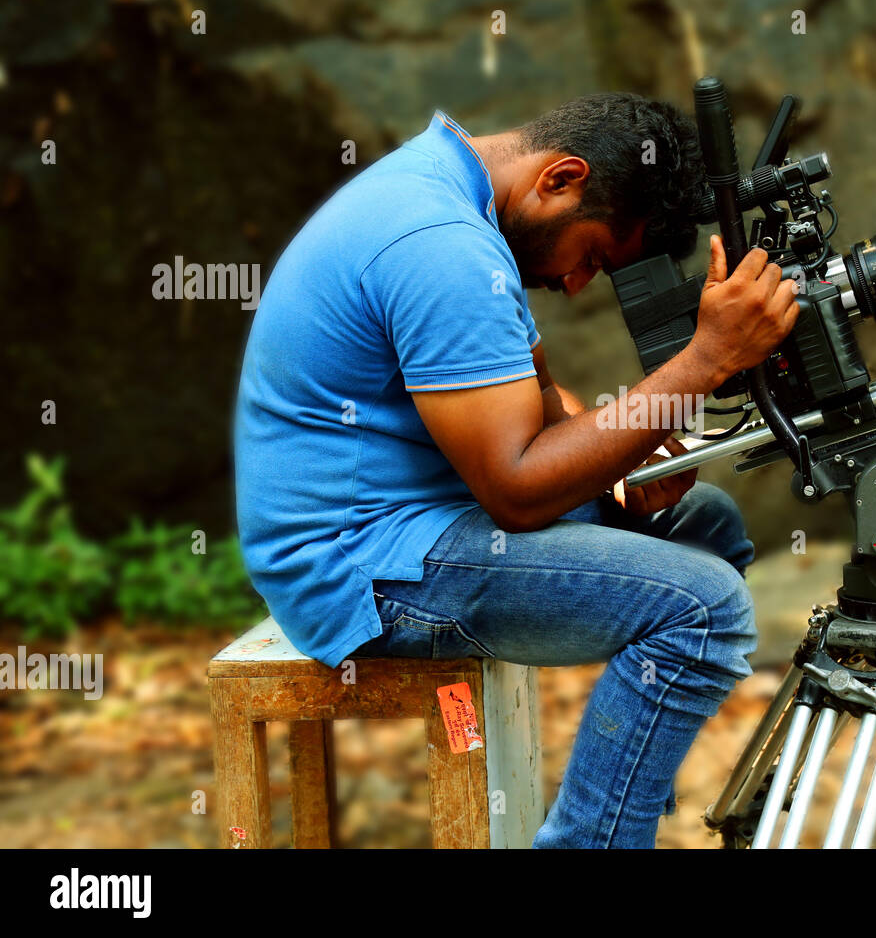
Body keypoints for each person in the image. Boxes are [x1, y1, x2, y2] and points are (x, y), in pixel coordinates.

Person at [233, 93, 799, 847]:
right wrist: (706, 361)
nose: (575, 284)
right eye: (593, 255)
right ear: (560, 177)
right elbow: (519, 492)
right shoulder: (440, 243)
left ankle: (616, 817)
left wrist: (625, 474)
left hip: (429, 515)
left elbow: (535, 402)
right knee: (703, 608)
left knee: (700, 529)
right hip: (360, 564)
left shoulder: (453, 192)